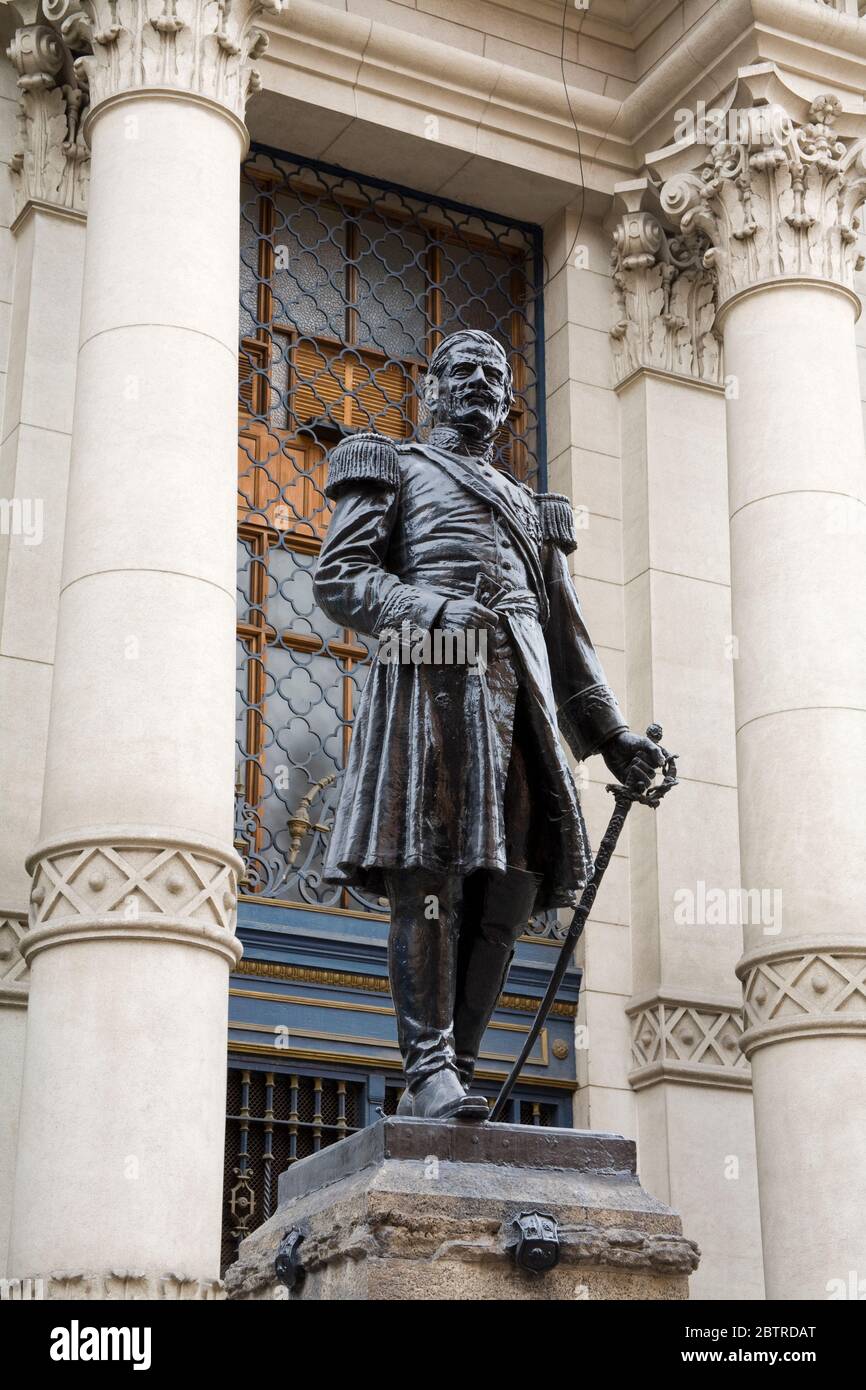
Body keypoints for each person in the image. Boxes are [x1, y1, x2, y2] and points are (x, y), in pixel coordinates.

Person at [313, 329, 664, 1120]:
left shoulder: (532, 510)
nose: (479, 382)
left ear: (508, 403)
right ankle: (429, 1066)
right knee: (429, 877)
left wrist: (613, 739)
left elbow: (567, 640)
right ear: (431, 389)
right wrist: (434, 609)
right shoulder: (392, 465)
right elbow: (341, 580)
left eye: (495, 375)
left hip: (522, 709)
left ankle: (456, 1075)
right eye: (462, 369)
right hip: (430, 692)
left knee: (509, 890)